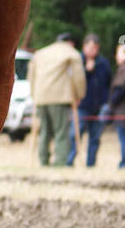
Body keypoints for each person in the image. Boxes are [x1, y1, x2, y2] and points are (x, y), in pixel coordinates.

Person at [28, 32, 86, 167]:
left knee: (44, 132)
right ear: (70, 43)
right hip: (60, 98)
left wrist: (33, 94)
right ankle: (60, 162)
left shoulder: (40, 53)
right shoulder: (71, 53)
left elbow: (31, 75)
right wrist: (80, 94)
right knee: (61, 132)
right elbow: (79, 77)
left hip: (40, 97)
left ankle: (43, 161)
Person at [67, 33, 111, 167]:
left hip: (98, 107)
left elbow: (108, 83)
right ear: (84, 46)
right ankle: (69, 162)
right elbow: (73, 81)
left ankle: (91, 164)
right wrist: (87, 71)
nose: (93, 51)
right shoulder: (76, 60)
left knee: (95, 138)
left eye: (96, 48)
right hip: (81, 105)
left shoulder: (103, 63)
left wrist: (105, 101)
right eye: (91, 47)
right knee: (75, 135)